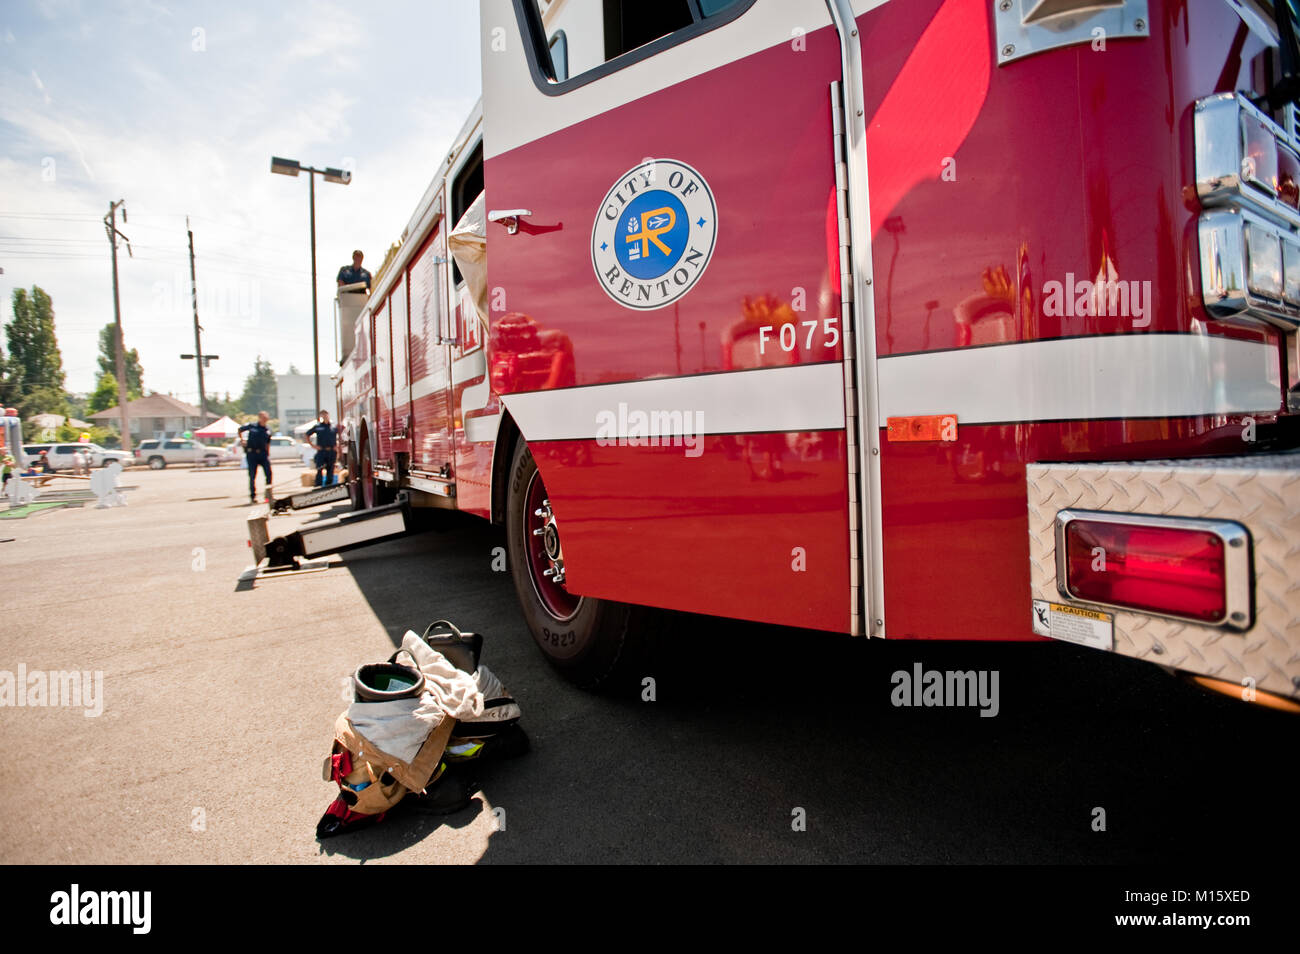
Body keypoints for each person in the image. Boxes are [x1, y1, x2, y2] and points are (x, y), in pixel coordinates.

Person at [238, 411, 273, 504]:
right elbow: (240, 429)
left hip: (263, 454)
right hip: (252, 454)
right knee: (252, 475)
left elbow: (268, 443)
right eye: (263, 418)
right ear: (259, 418)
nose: (265, 420)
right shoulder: (252, 426)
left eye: (266, 418)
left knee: (268, 474)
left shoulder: (267, 429)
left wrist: (268, 454)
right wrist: (242, 440)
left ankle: (268, 496)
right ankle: (253, 496)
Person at [304, 410, 340, 487]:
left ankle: (329, 485)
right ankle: (318, 485)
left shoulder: (333, 426)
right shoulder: (318, 427)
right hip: (322, 451)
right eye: (322, 415)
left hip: (331, 451)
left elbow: (340, 436)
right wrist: (313, 445)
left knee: (330, 469)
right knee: (320, 468)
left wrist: (337, 445)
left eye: (326, 415)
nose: (324, 417)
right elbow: (307, 435)